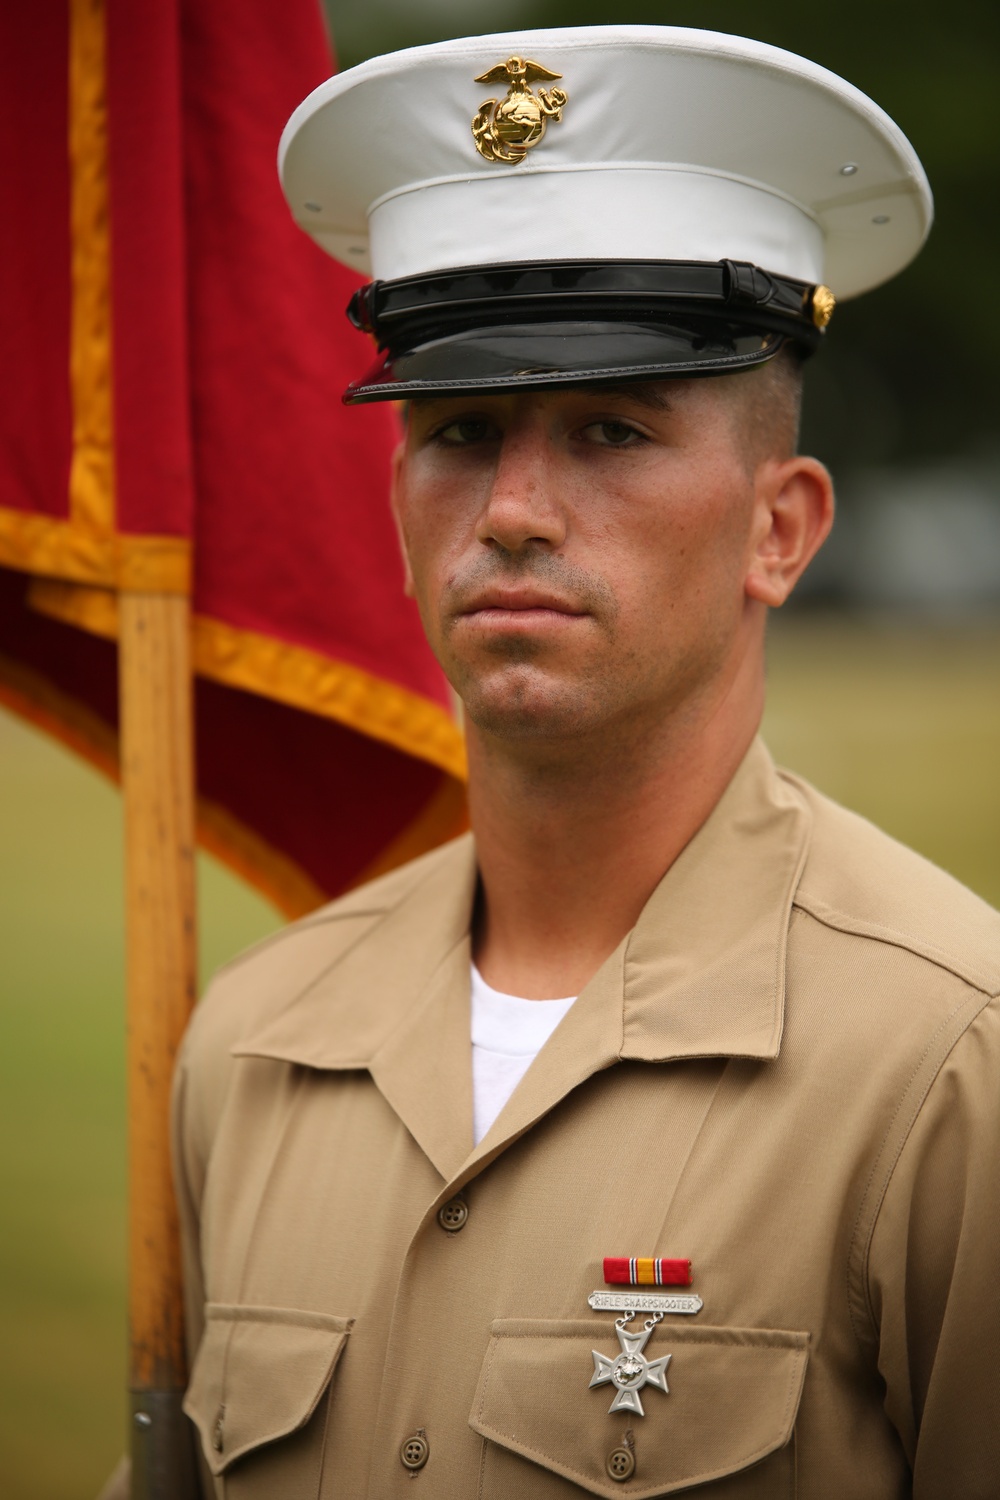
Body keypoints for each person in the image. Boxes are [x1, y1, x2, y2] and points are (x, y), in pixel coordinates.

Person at [172, 27, 999, 1500]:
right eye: (461, 430)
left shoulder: (948, 1065)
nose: (515, 510)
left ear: (781, 529)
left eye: (612, 430)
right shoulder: (253, 1045)